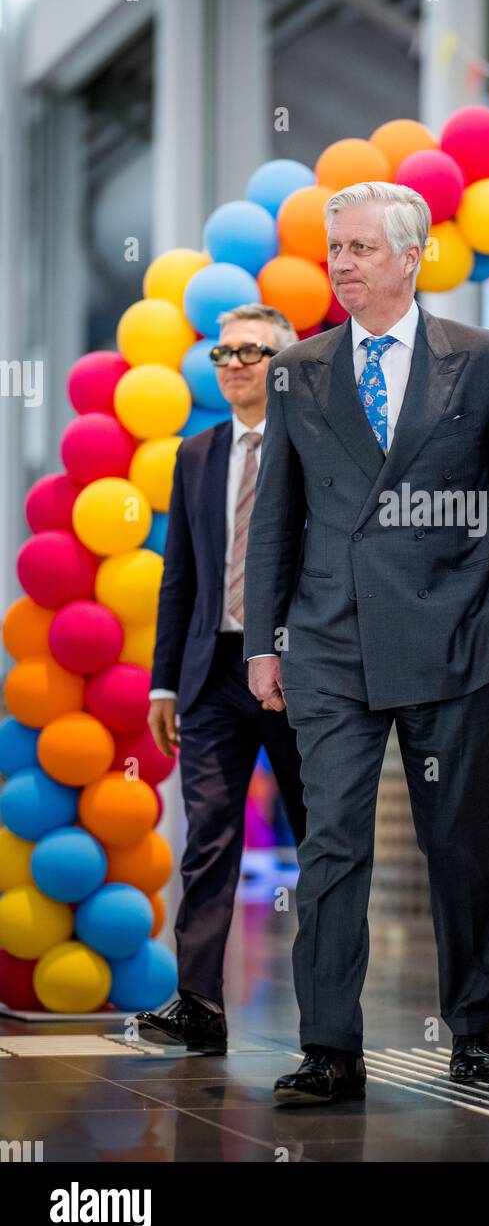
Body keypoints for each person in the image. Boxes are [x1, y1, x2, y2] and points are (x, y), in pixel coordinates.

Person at [244, 181, 489, 1105]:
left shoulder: (485, 360)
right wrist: (265, 644)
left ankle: (471, 1027)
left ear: (411, 256)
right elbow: (275, 521)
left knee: (458, 841)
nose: (340, 263)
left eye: (359, 249)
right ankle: (331, 1048)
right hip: (330, 650)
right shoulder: (298, 370)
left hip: (456, 646)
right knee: (331, 847)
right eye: (334, 248)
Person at [136, 304, 307, 1055]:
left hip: (300, 674)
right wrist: (163, 683)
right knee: (208, 836)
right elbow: (182, 576)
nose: (234, 361)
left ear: (283, 363)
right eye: (222, 351)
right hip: (211, 676)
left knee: (322, 841)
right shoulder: (198, 453)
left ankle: (330, 1022)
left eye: (251, 350)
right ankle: (199, 1002)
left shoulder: (312, 446)